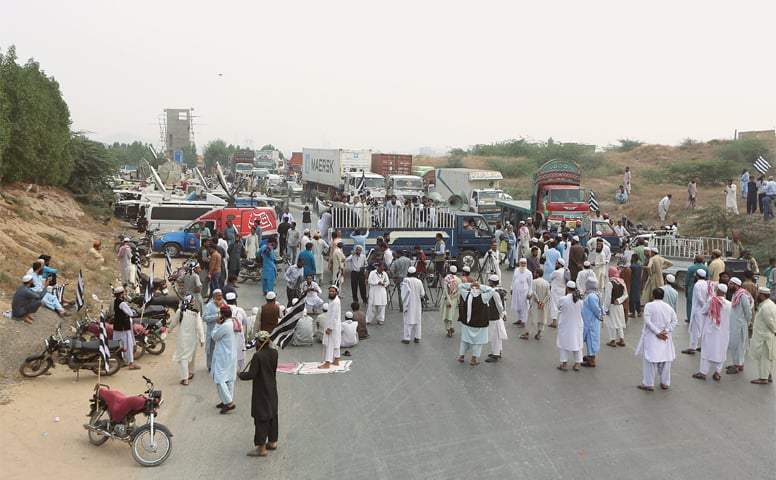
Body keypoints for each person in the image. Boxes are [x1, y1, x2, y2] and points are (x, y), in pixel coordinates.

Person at [239, 330, 279, 457]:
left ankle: (261, 448)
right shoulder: (274, 353)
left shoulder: (258, 356)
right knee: (272, 414)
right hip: (272, 389)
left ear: (259, 342)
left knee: (261, 417)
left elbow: (251, 374)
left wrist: (241, 375)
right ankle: (272, 442)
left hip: (261, 391)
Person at [635, 288, 678, 391]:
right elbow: (675, 321)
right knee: (665, 361)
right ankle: (665, 383)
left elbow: (648, 322)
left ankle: (648, 384)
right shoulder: (668, 307)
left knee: (650, 361)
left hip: (652, 337)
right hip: (665, 337)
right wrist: (666, 330)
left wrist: (657, 332)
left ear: (653, 295)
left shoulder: (649, 306)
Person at [692, 284, 731, 382]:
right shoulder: (729, 304)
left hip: (711, 330)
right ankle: (718, 372)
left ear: (717, 290)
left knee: (706, 350)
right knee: (721, 351)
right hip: (723, 331)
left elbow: (703, 311)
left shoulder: (711, 300)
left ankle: (703, 372)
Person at [170, 295, 205, 385]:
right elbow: (199, 327)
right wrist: (202, 339)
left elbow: (173, 323)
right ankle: (191, 372)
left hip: (183, 339)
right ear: (192, 302)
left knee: (183, 358)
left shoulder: (180, 311)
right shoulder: (196, 313)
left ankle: (185, 378)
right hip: (193, 339)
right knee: (191, 356)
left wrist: (168, 330)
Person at [456, 281, 492, 366]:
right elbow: (491, 290)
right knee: (478, 342)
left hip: (467, 323)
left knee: (464, 340)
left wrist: (471, 284)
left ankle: (461, 356)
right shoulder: (484, 296)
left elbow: (460, 286)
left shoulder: (467, 295)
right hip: (480, 324)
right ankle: (474, 359)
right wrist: (480, 286)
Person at [725, 278, 752, 375]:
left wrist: (747, 323)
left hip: (740, 325)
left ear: (736, 285)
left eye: (731, 284)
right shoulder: (735, 294)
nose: (729, 285)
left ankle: (737, 366)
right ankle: (737, 364)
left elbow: (748, 311)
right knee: (734, 344)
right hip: (734, 324)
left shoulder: (742, 295)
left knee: (739, 346)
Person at [212, 304, 236, 413]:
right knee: (229, 379)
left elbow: (214, 337)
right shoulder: (231, 323)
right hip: (230, 355)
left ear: (222, 315)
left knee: (220, 379)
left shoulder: (225, 325)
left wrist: (217, 324)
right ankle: (225, 400)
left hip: (224, 356)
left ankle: (229, 402)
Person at [749, 288, 776, 385]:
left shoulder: (766, 307)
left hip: (765, 337)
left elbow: (771, 323)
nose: (756, 296)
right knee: (767, 358)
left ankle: (763, 378)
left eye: (758, 294)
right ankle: (767, 375)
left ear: (762, 295)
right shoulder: (767, 304)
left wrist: (774, 331)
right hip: (764, 336)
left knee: (764, 358)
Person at [556, 281, 584, 371]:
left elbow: (559, 307)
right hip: (577, 325)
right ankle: (577, 364)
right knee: (577, 344)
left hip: (565, 325)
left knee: (563, 344)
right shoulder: (580, 300)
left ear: (567, 288)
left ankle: (564, 364)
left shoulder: (563, 299)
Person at [113, 286, 140, 370]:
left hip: (117, 327)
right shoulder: (122, 303)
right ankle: (131, 363)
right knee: (128, 345)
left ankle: (122, 361)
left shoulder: (115, 302)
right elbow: (130, 313)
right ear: (121, 294)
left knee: (119, 345)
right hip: (124, 328)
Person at [522, 267, 550, 340]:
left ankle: (527, 333)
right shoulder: (546, 283)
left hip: (535, 304)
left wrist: (538, 301)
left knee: (531, 318)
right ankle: (539, 333)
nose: (534, 274)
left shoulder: (534, 281)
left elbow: (534, 292)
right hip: (543, 305)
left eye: (535, 273)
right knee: (542, 318)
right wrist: (542, 302)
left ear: (537, 274)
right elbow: (548, 295)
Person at [485, 275, 507, 362]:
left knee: (495, 336)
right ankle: (498, 351)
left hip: (495, 316)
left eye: (489, 281)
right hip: (496, 316)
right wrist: (504, 313)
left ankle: (495, 354)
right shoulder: (499, 290)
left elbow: (499, 305)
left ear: (491, 282)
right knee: (497, 335)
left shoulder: (494, 292)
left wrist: (502, 314)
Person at [604, 266, 628, 347]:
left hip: (612, 306)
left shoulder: (610, 283)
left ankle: (612, 340)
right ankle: (621, 339)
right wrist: (619, 300)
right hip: (619, 306)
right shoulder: (622, 282)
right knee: (619, 322)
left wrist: (605, 308)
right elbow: (626, 295)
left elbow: (608, 297)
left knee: (611, 323)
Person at [581, 278, 603, 368]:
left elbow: (596, 310)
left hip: (591, 322)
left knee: (591, 340)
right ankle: (590, 356)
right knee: (589, 339)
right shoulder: (593, 294)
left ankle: (592, 360)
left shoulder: (592, 296)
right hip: (590, 321)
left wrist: (600, 316)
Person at [400, 267, 425, 344]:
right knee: (417, 321)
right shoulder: (419, 281)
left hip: (408, 304)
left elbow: (403, 292)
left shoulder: (406, 280)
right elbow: (422, 294)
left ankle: (407, 338)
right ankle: (417, 337)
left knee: (408, 320)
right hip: (417, 304)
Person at [319, 286, 342, 369]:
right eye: (330, 291)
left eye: (333, 291)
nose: (331, 293)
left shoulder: (335, 302)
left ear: (336, 292)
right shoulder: (334, 300)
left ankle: (327, 362)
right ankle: (336, 359)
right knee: (336, 342)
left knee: (330, 344)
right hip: (335, 325)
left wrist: (330, 328)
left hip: (332, 326)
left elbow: (334, 317)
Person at [202, 289, 225, 371]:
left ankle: (219, 365)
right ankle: (210, 365)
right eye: (218, 295)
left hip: (222, 331)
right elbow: (204, 318)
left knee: (220, 349)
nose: (220, 297)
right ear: (214, 296)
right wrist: (215, 317)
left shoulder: (224, 303)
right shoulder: (209, 306)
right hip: (212, 331)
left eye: (221, 295)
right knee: (211, 349)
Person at [225, 291, 247, 370]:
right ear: (235, 300)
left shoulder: (223, 309)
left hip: (226, 334)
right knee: (240, 353)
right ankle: (241, 370)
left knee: (228, 352)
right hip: (238, 335)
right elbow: (245, 322)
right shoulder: (240, 310)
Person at [510, 258, 532, 327]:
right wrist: (511, 288)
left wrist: (529, 293)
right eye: (521, 263)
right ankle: (519, 319)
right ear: (519, 263)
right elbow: (513, 280)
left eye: (524, 263)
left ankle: (523, 322)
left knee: (524, 308)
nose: (523, 265)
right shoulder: (516, 270)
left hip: (524, 293)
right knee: (518, 306)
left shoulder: (529, 273)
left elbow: (531, 284)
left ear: (526, 264)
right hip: (516, 291)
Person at [685, 255, 707, 322]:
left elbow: (687, 279)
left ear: (695, 260)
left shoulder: (691, 268)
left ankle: (689, 318)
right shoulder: (706, 268)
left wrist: (686, 289)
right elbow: (708, 278)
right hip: (704, 286)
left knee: (690, 302)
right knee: (701, 301)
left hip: (691, 287)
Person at [441, 265, 460, 337]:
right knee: (451, 315)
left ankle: (448, 329)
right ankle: (451, 327)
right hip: (454, 300)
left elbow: (445, 290)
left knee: (446, 315)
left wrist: (448, 299)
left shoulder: (446, 278)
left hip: (447, 299)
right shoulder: (458, 280)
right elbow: (459, 291)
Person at [548, 259, 568, 328]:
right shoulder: (566, 271)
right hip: (563, 291)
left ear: (560, 264)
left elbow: (550, 279)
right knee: (561, 306)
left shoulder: (556, 272)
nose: (555, 265)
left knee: (554, 306)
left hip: (555, 291)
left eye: (557, 263)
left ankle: (554, 322)